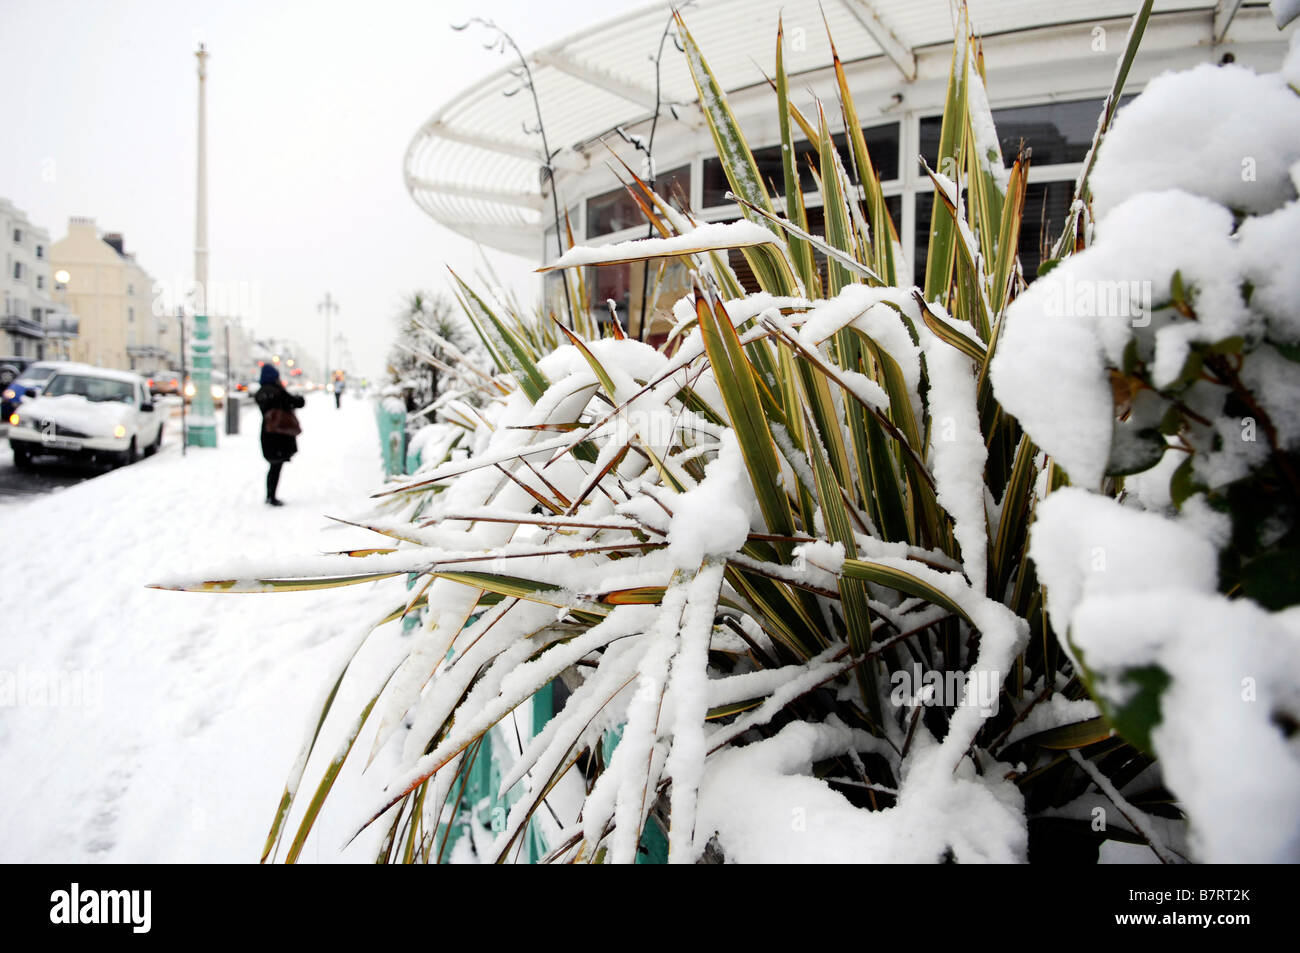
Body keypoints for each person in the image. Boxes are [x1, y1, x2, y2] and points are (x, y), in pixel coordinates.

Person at [254, 364, 305, 506]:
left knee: (273, 466)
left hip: (267, 433)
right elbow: (297, 402)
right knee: (276, 466)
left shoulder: (261, 393)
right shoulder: (277, 391)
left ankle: (270, 495)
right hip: (279, 435)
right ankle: (271, 497)